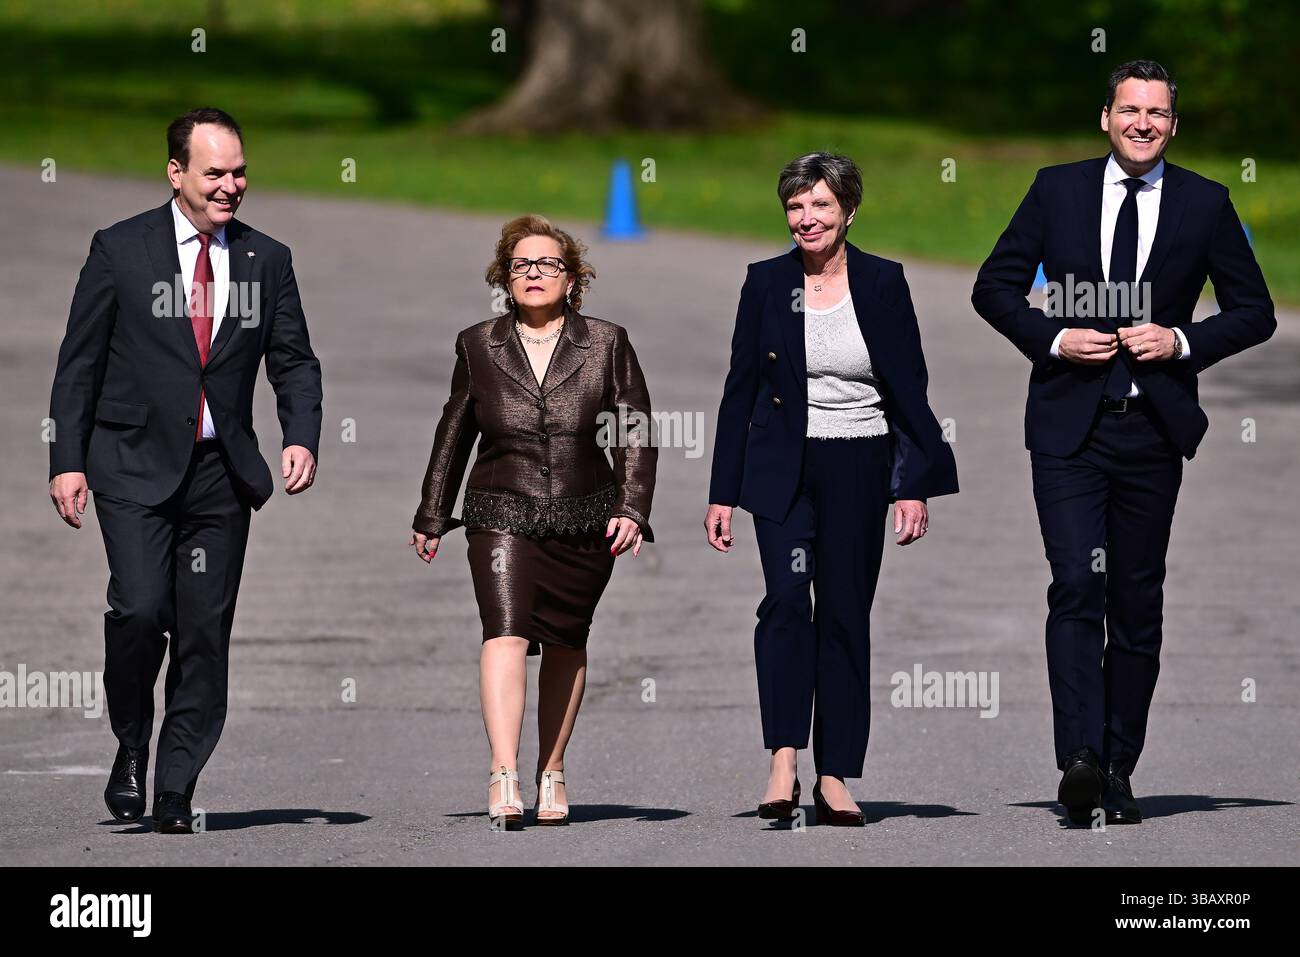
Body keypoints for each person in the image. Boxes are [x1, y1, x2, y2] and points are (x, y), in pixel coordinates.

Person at [971, 60, 1275, 826]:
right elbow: (994, 287)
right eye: (1130, 109)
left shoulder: (1206, 204)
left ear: (1175, 125)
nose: (1143, 123)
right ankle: (1077, 758)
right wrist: (1055, 336)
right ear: (1105, 116)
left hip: (1152, 432)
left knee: (1135, 602)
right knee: (1077, 584)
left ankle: (1118, 764)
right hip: (1068, 428)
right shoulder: (1056, 189)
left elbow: (1255, 311)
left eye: (1159, 114)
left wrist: (1178, 341)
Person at [48, 107, 323, 834]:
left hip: (219, 474)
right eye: (215, 173)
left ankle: (174, 784)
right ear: (177, 174)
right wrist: (67, 460)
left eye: (239, 171)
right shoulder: (121, 250)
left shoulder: (269, 258)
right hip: (132, 464)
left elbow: (293, 360)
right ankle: (132, 740)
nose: (231, 185)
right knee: (141, 609)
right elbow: (79, 364)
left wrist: (301, 436)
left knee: (203, 631)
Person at [705, 153, 958, 826]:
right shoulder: (765, 283)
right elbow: (740, 392)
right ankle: (784, 758)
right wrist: (722, 492)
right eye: (794, 206)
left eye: (819, 205)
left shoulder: (882, 282)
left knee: (845, 614)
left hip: (860, 466)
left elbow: (909, 388)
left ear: (848, 211)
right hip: (783, 471)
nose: (805, 218)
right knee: (787, 605)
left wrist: (912, 484)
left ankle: (836, 773)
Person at [411, 215, 656, 829]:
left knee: (567, 642)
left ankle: (552, 770)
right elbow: (454, 432)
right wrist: (433, 512)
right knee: (507, 631)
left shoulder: (606, 341)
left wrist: (632, 507)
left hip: (584, 516)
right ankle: (503, 773)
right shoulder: (478, 343)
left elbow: (632, 429)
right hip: (501, 510)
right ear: (504, 278)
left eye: (548, 265)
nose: (534, 275)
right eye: (522, 266)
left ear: (572, 279)